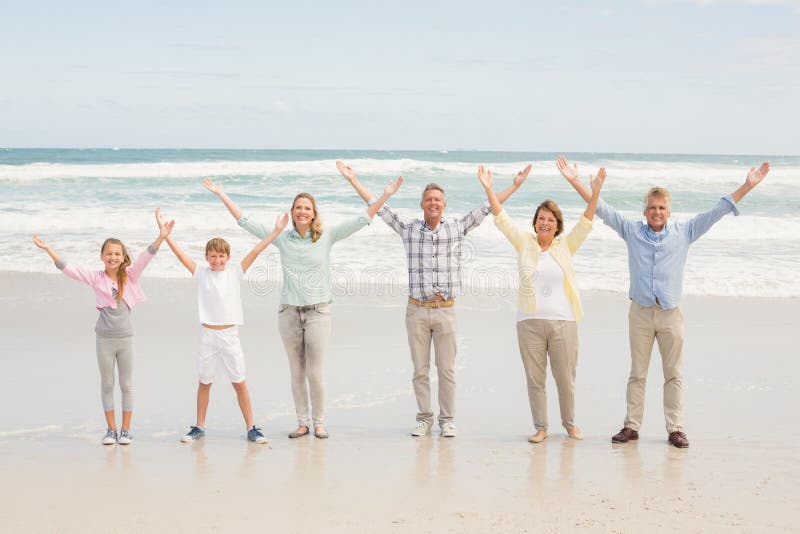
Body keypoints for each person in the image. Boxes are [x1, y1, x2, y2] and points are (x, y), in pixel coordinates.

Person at [558, 155, 770, 448]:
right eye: (652, 207)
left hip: (671, 314)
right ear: (645, 211)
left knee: (673, 375)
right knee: (637, 374)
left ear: (668, 211)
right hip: (640, 313)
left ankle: (675, 429)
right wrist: (574, 180)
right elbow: (601, 209)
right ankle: (631, 427)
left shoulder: (685, 232)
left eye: (661, 207)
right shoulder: (632, 231)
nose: (657, 211)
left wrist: (747, 185)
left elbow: (718, 210)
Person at [337, 160, 526, 438]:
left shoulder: (457, 228)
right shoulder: (409, 229)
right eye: (428, 199)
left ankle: (447, 420)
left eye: (437, 199)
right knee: (420, 370)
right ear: (422, 205)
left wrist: (514, 185)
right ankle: (424, 418)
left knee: (447, 370)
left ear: (444, 205)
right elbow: (379, 208)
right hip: (416, 311)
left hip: (445, 311)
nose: (433, 203)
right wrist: (353, 180)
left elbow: (489, 207)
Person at [204, 175, 400, 439]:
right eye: (298, 207)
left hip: (319, 312)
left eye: (307, 207)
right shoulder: (283, 238)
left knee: (315, 372)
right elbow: (246, 222)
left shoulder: (327, 236)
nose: (303, 211)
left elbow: (362, 219)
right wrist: (221, 194)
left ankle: (319, 422)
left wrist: (385, 195)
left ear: (313, 212)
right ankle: (302, 422)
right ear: (292, 213)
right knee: (296, 371)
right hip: (289, 313)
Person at [478, 163, 605, 443]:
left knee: (565, 379)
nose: (544, 223)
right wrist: (490, 188)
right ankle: (541, 428)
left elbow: (586, 221)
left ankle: (570, 424)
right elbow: (501, 218)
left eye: (550, 219)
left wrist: (594, 192)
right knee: (535, 380)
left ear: (558, 225)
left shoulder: (566, 246)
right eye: (541, 218)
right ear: (535, 222)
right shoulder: (524, 242)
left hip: (564, 322)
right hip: (529, 322)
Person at [32, 209, 174, 445]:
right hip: (104, 339)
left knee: (126, 384)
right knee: (107, 384)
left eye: (117, 253)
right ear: (101, 256)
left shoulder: (130, 275)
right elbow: (69, 269)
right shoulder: (96, 277)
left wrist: (161, 236)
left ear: (122, 256)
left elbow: (145, 257)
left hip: (126, 338)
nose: (113, 257)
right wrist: (49, 250)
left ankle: (126, 431)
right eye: (108, 253)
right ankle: (111, 430)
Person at [160, 210, 289, 444]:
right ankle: (199, 426)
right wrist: (167, 236)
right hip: (208, 336)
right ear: (207, 257)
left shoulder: (235, 272)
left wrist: (277, 231)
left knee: (239, 382)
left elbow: (256, 250)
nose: (217, 260)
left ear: (227, 257)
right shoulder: (201, 274)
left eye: (221, 256)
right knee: (204, 382)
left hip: (230, 336)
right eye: (212, 256)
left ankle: (252, 427)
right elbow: (181, 257)